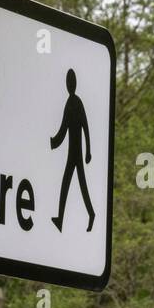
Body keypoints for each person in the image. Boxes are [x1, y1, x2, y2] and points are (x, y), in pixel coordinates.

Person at [50, 68, 95, 232]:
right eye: (68, 82)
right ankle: (65, 218)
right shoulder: (70, 102)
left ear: (73, 84)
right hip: (73, 152)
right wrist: (54, 142)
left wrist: (89, 150)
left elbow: (85, 126)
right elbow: (64, 127)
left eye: (70, 82)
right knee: (75, 184)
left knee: (74, 184)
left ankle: (85, 215)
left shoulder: (75, 102)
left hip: (75, 152)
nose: (69, 85)